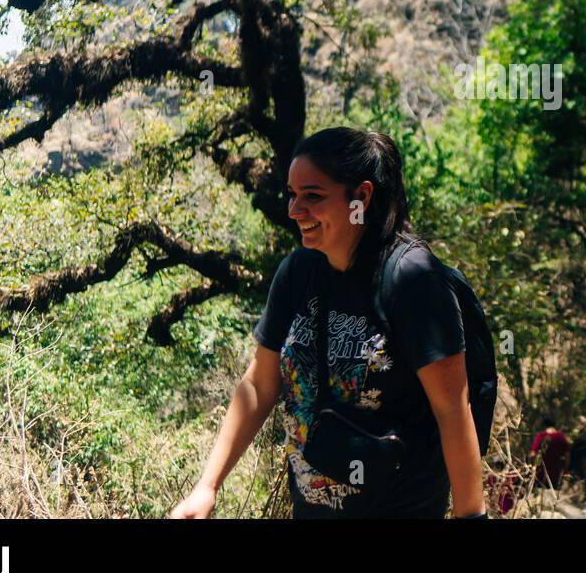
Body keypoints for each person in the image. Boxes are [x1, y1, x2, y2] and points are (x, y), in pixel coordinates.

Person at [170, 127, 486, 519]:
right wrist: (207, 487)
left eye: (313, 196)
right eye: (292, 194)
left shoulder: (413, 281)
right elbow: (259, 384)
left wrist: (471, 515)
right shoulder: (298, 273)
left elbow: (453, 411)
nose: (294, 210)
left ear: (361, 197)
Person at [530, 418, 571, 490]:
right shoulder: (561, 437)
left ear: (544, 426)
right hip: (555, 474)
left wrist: (531, 466)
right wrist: (566, 469)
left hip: (541, 473)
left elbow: (533, 454)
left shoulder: (541, 436)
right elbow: (567, 455)